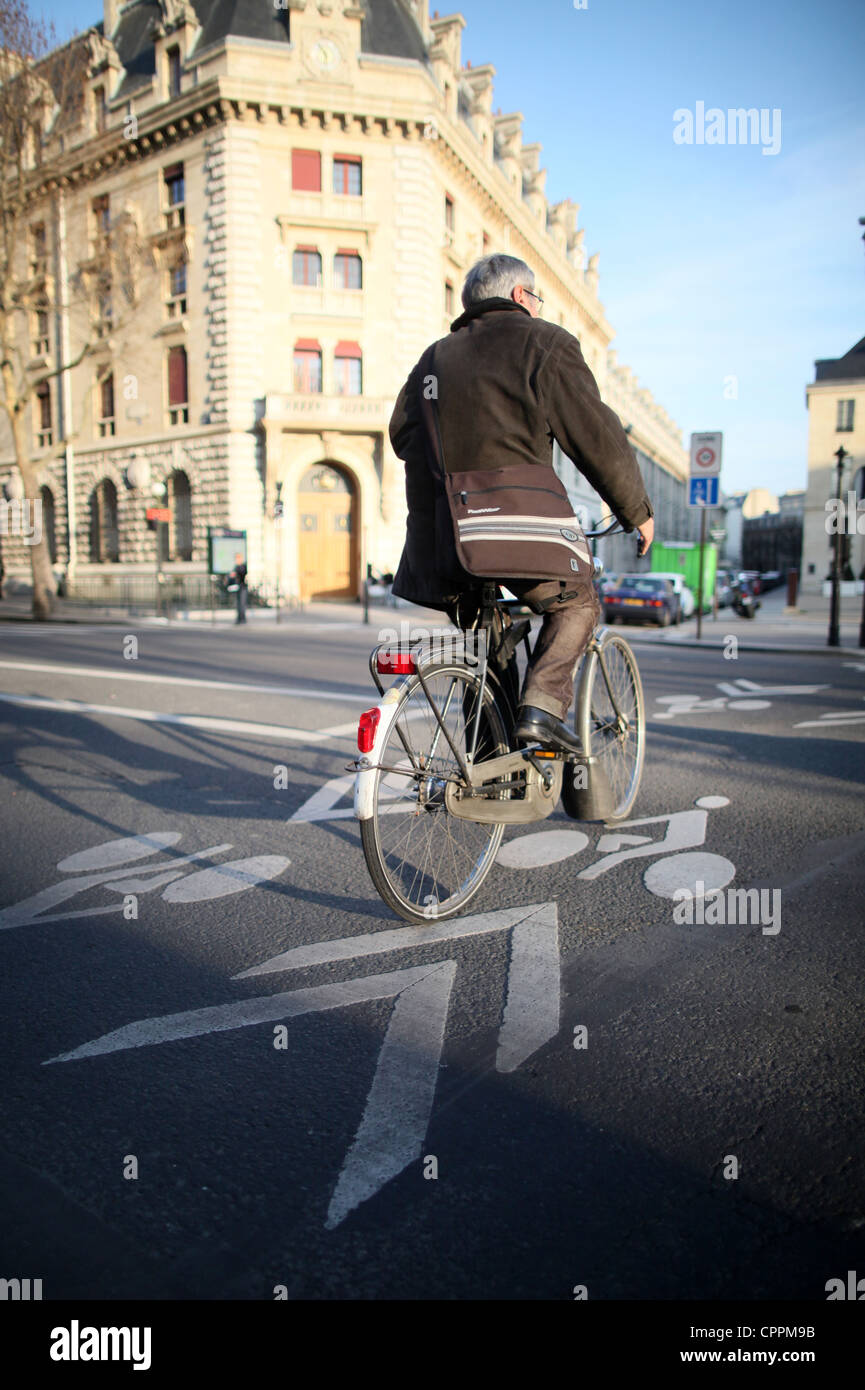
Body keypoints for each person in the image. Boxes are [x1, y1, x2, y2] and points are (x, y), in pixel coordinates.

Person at [388, 253, 654, 753]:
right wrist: (634, 510)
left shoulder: (433, 359)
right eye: (536, 297)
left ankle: (490, 758)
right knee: (577, 602)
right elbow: (595, 434)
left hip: (449, 543)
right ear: (519, 296)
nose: (537, 306)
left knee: (491, 629)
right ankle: (541, 708)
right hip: (522, 531)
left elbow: (403, 434)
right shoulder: (545, 343)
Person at [226, 552, 248, 624]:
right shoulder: (236, 567)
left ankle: (242, 619)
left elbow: (242, 574)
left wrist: (236, 574)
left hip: (242, 587)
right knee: (238, 603)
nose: (236, 560)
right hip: (237, 587)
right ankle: (239, 618)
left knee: (242, 603)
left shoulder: (243, 566)